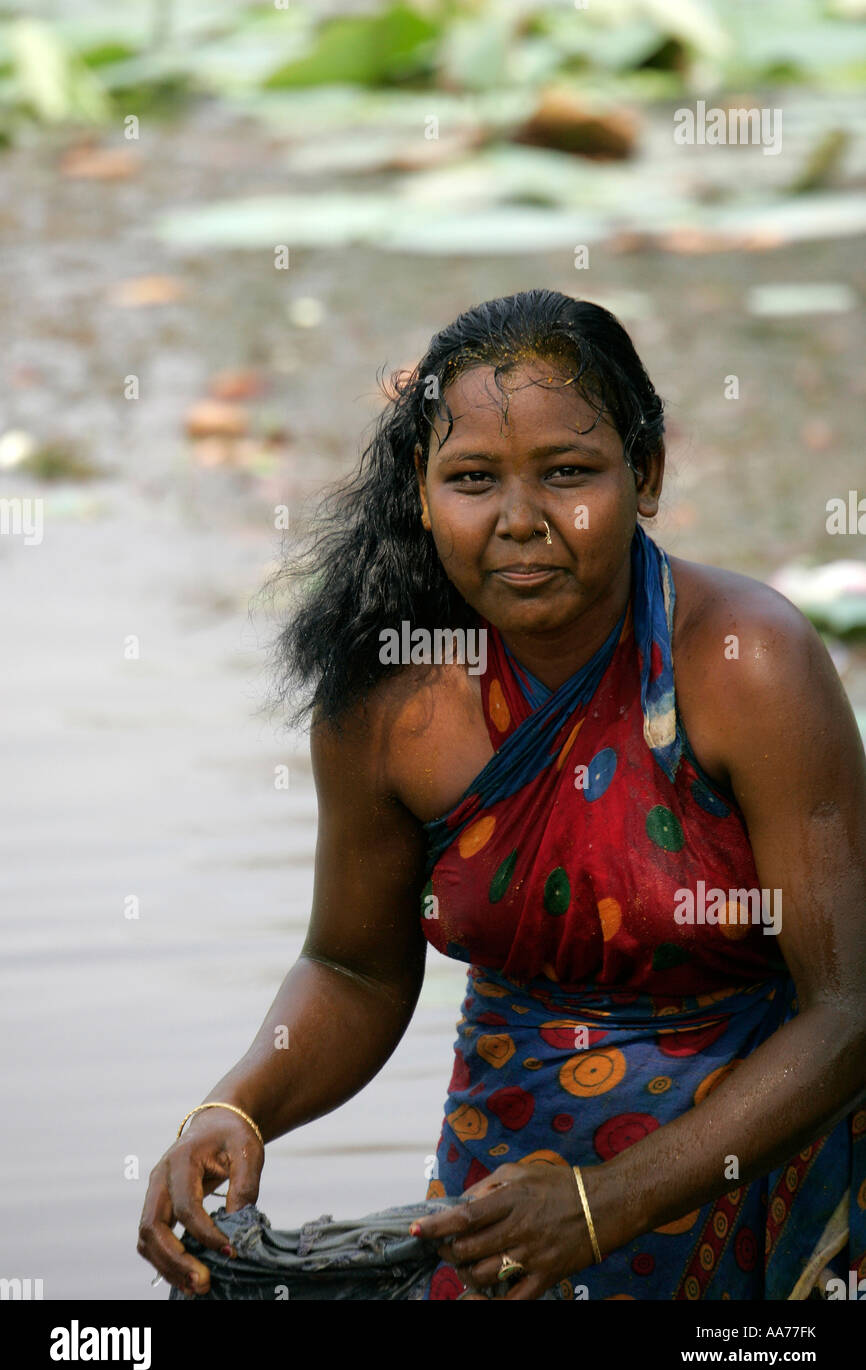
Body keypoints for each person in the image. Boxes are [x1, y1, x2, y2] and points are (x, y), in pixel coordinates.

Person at [138, 289, 866, 1301]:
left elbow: (846, 1008)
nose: (521, 522)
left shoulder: (747, 665)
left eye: (567, 474)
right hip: (499, 1205)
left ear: (643, 474)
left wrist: (604, 1202)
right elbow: (351, 968)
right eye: (472, 479)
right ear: (424, 493)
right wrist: (236, 1108)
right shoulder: (388, 699)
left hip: (775, 1208)